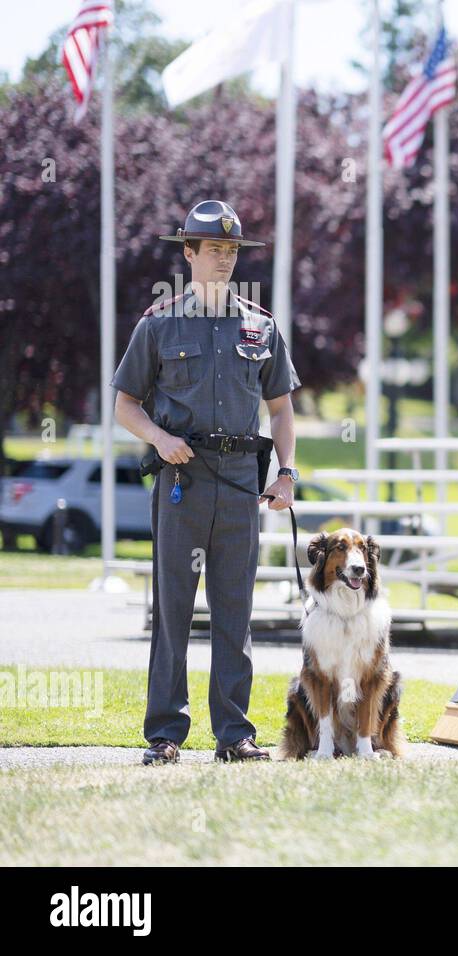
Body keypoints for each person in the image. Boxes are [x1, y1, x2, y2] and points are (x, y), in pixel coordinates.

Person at [111, 199, 302, 765]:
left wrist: (286, 473)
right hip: (181, 483)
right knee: (173, 611)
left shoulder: (260, 325)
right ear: (188, 253)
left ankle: (234, 734)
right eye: (212, 249)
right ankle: (166, 734)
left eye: (231, 250)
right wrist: (158, 438)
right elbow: (125, 404)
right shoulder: (159, 323)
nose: (223, 258)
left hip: (243, 484)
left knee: (234, 612)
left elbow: (283, 411)